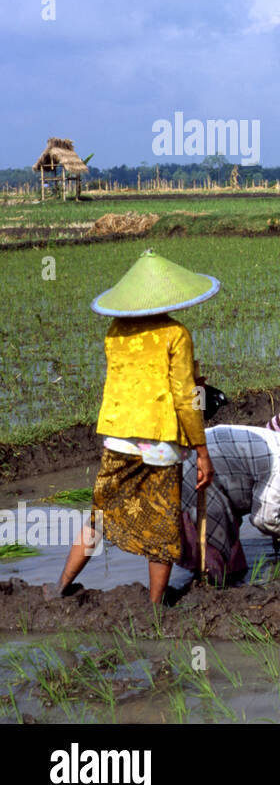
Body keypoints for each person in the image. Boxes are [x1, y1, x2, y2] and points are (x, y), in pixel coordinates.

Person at [52, 249, 219, 604]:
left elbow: (133, 380)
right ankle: (155, 608)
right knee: (161, 523)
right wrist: (202, 451)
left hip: (118, 436)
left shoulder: (115, 331)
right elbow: (186, 398)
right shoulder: (176, 334)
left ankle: (61, 588)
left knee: (99, 515)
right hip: (159, 440)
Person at [179, 415, 280, 584]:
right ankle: (209, 592)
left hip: (202, 458)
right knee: (216, 554)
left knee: (231, 558)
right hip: (198, 468)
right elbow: (263, 519)